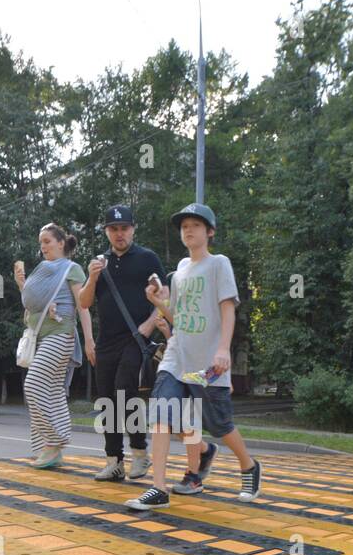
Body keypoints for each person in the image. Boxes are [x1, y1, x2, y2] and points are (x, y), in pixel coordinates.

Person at [126, 202, 261, 511]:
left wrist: (223, 349)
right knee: (160, 414)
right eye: (184, 226)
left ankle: (248, 465)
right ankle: (158, 488)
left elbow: (228, 308)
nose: (188, 229)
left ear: (209, 232)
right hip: (177, 356)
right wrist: (157, 304)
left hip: (208, 361)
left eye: (196, 225)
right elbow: (179, 318)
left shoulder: (218, 264)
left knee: (219, 423)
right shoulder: (179, 272)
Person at [76, 205, 167, 481]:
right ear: (106, 231)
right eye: (113, 229)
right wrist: (92, 277)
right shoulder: (98, 263)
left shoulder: (147, 258)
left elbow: (165, 295)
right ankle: (114, 460)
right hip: (106, 341)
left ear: (133, 229)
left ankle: (139, 453)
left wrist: (149, 326)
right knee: (107, 401)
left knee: (124, 393)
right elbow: (83, 302)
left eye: (124, 228)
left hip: (135, 339)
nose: (119, 234)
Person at [16, 223, 91, 468]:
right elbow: (32, 305)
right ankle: (44, 450)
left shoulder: (72, 268)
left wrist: (90, 340)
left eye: (47, 241)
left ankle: (55, 441)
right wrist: (22, 285)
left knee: (33, 385)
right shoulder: (45, 271)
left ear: (61, 242)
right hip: (41, 337)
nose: (43, 247)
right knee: (54, 392)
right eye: (41, 243)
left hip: (61, 335)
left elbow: (83, 306)